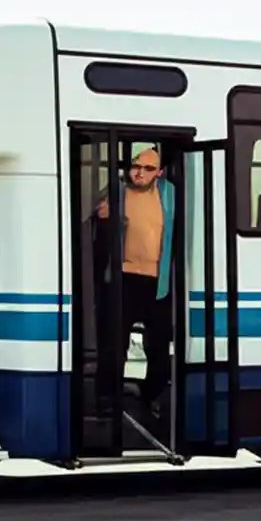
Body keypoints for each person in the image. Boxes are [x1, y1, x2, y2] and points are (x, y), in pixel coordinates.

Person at [94, 146, 175, 421]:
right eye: (135, 166)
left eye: (147, 168)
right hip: (123, 278)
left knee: (159, 347)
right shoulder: (117, 192)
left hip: (158, 281)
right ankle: (107, 399)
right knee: (114, 344)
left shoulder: (170, 195)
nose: (139, 173)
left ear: (159, 173)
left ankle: (153, 396)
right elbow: (97, 227)